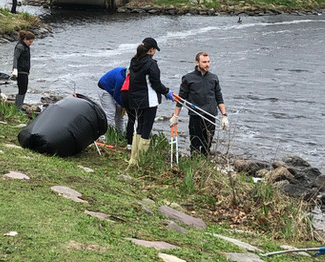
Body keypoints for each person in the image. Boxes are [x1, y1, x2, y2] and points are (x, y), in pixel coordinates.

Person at [170, 52, 228, 156]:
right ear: (197, 63)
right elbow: (181, 98)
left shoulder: (214, 78)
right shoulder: (188, 78)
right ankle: (194, 166)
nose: (207, 64)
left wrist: (224, 115)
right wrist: (176, 116)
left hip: (210, 115)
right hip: (195, 115)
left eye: (208, 62)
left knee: (207, 144)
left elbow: (219, 97)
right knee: (195, 144)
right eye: (204, 62)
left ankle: (205, 164)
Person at [127, 37, 173, 167]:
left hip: (136, 100)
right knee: (146, 129)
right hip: (149, 101)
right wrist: (166, 92)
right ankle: (140, 162)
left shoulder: (134, 61)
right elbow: (156, 84)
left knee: (139, 127)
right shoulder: (151, 64)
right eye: (155, 50)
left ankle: (133, 159)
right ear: (151, 50)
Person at [97, 67, 127, 135]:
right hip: (105, 89)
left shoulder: (132, 78)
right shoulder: (121, 79)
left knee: (120, 116)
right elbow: (116, 95)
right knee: (110, 113)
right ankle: (106, 136)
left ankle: (120, 135)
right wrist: (125, 105)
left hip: (114, 89)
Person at [11, 29, 34, 110]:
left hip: (25, 71)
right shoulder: (20, 46)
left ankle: (19, 106)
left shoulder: (27, 47)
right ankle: (17, 108)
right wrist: (15, 69)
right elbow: (15, 58)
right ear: (25, 39)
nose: (30, 43)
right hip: (20, 71)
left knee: (24, 89)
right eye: (29, 41)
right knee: (22, 89)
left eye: (31, 42)